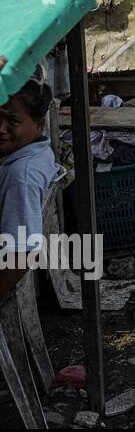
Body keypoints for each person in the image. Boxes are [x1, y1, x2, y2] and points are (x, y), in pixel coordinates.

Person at [0, 79, 58, 299]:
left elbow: (23, 253)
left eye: (12, 120)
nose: (1, 128)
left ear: (39, 124)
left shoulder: (20, 177)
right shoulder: (38, 150)